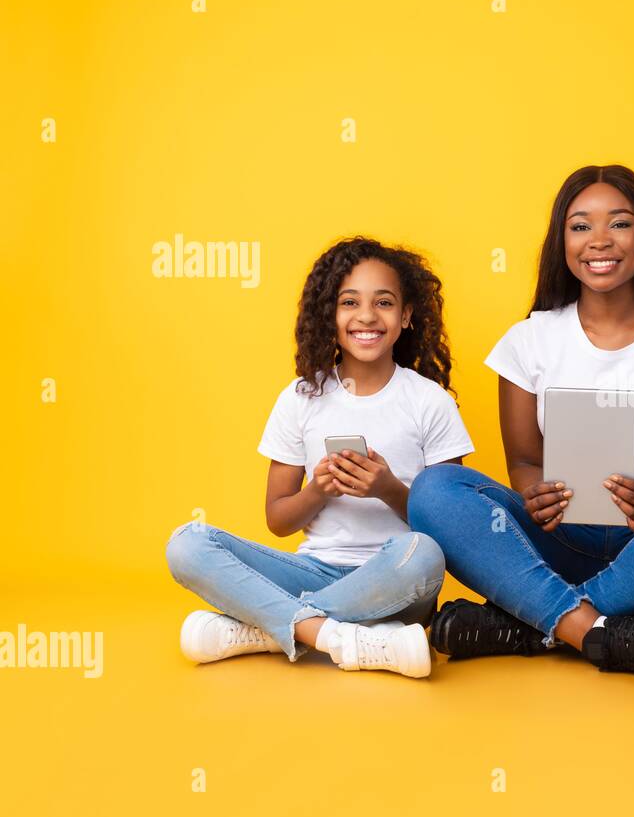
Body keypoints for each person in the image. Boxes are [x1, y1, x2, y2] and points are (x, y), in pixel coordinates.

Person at [408, 164, 634, 681]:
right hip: (556, 545)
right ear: (562, 240)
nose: (600, 240)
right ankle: (601, 634)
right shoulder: (530, 339)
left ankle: (537, 623)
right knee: (435, 488)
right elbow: (525, 461)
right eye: (580, 226)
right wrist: (534, 493)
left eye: (619, 223)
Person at [165, 237, 473, 678]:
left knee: (423, 554)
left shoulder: (429, 402)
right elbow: (279, 520)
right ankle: (333, 637)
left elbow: (455, 529)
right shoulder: (301, 398)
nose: (367, 316)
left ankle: (268, 628)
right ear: (330, 315)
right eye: (350, 302)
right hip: (311, 571)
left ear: (405, 316)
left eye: (383, 302)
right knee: (187, 544)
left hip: (396, 582)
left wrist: (387, 489)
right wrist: (318, 491)